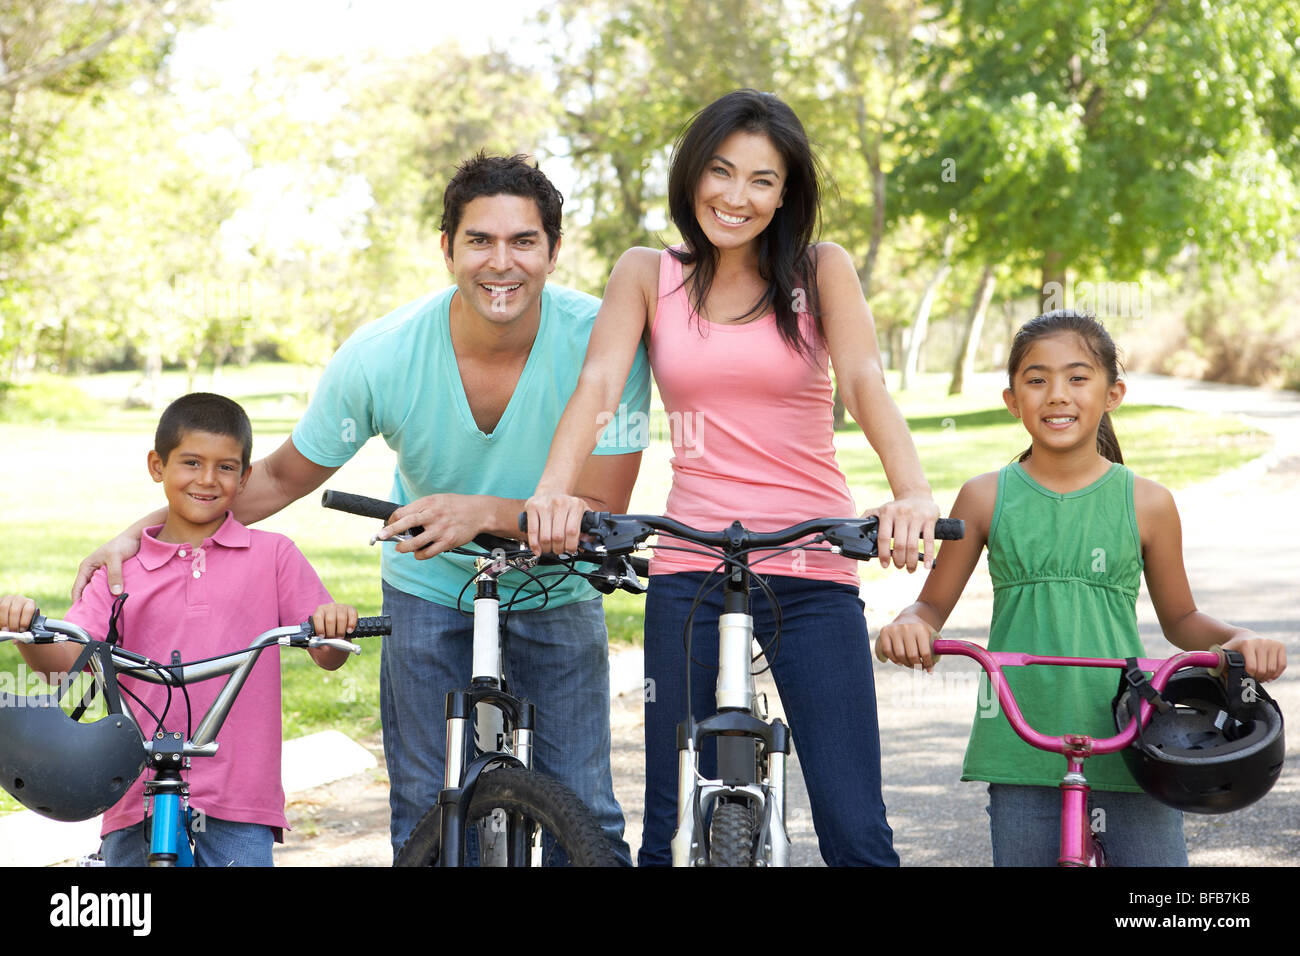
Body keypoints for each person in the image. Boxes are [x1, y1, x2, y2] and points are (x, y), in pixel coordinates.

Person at [73, 154, 650, 864]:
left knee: (585, 812)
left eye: (524, 241)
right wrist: (140, 534)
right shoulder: (382, 356)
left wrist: (480, 511)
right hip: (429, 589)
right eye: (479, 240)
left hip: (556, 588)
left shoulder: (604, 342)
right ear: (447, 249)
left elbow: (601, 507)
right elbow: (280, 476)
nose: (501, 263)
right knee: (425, 813)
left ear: (553, 252)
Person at [526, 89, 939, 866]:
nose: (737, 196)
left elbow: (862, 380)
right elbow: (599, 387)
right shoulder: (648, 273)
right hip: (690, 569)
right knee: (674, 825)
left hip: (813, 565)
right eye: (721, 172)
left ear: (786, 194)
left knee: (856, 830)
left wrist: (911, 491)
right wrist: (554, 489)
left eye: (762, 180)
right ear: (692, 176)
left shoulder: (822, 270)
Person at [875, 309, 1288, 866]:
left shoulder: (1147, 502)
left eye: (1077, 377)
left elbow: (1182, 620)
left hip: (1132, 737)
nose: (1056, 395)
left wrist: (1238, 639)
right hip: (1023, 740)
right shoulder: (984, 497)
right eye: (1036, 379)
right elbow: (931, 605)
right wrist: (911, 624)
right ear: (1012, 399)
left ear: (1112, 393)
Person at [2, 392, 357, 866]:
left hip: (239, 792)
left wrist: (332, 624)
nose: (207, 479)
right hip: (133, 787)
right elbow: (65, 664)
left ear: (245, 476)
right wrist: (28, 632)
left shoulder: (274, 555)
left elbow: (327, 652)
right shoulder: (120, 570)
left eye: (226, 467)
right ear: (157, 466)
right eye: (191, 462)